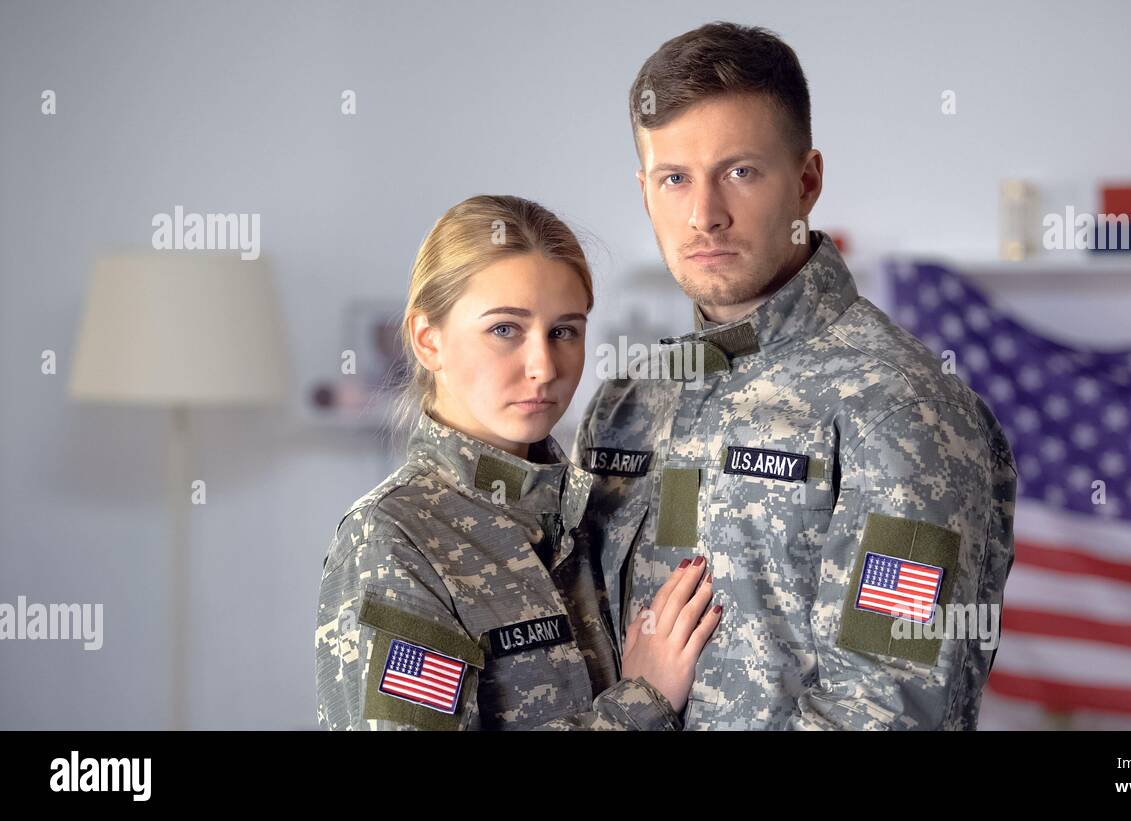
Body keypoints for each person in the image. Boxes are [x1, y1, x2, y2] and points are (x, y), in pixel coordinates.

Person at [574, 22, 1017, 730]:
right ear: (645, 190)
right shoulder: (626, 404)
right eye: (674, 179)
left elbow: (886, 711)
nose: (704, 214)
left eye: (740, 172)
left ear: (806, 181)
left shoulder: (900, 406)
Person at [316, 194, 722, 730]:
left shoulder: (588, 514)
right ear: (427, 340)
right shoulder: (396, 538)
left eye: (564, 331)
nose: (543, 366)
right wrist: (640, 703)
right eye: (504, 329)